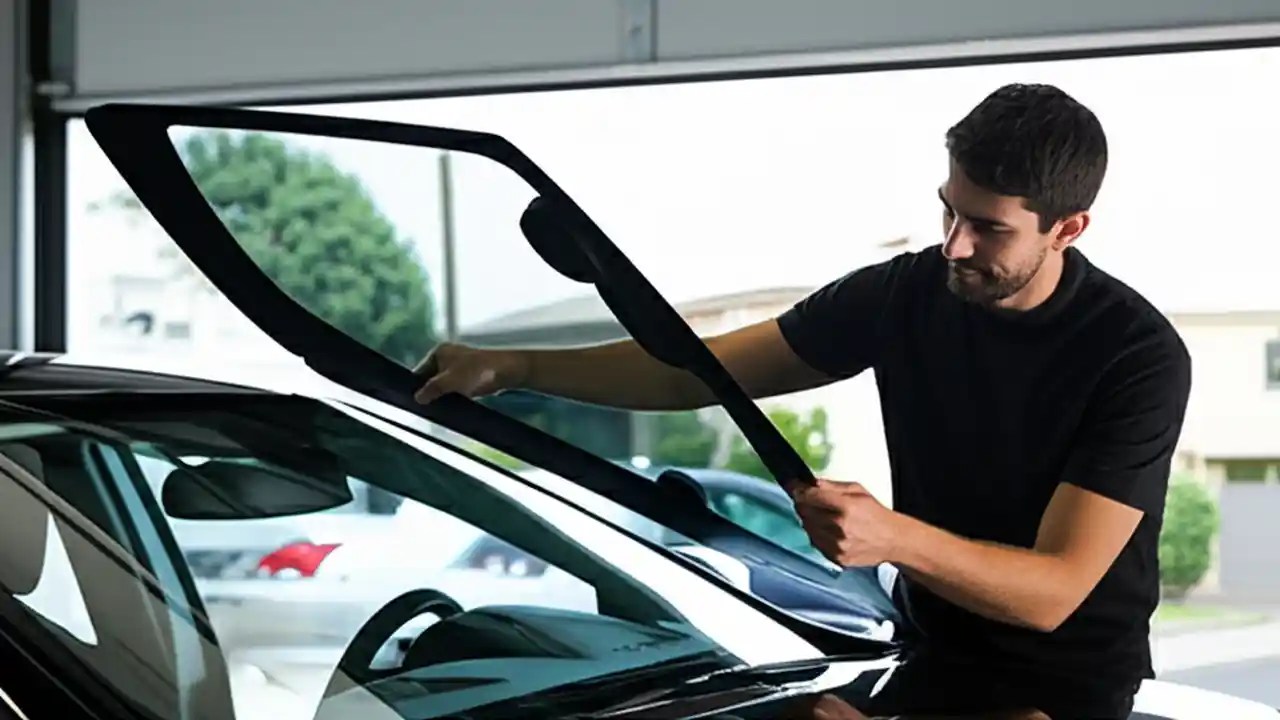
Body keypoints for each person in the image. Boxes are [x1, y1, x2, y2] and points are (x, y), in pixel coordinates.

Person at [411, 83, 1191, 718]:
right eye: (947, 209)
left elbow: (1054, 594)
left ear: (1069, 227)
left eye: (987, 228)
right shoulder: (905, 294)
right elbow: (694, 373)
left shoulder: (1134, 356)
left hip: (1066, 693)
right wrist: (513, 366)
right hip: (928, 652)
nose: (953, 243)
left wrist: (893, 538)